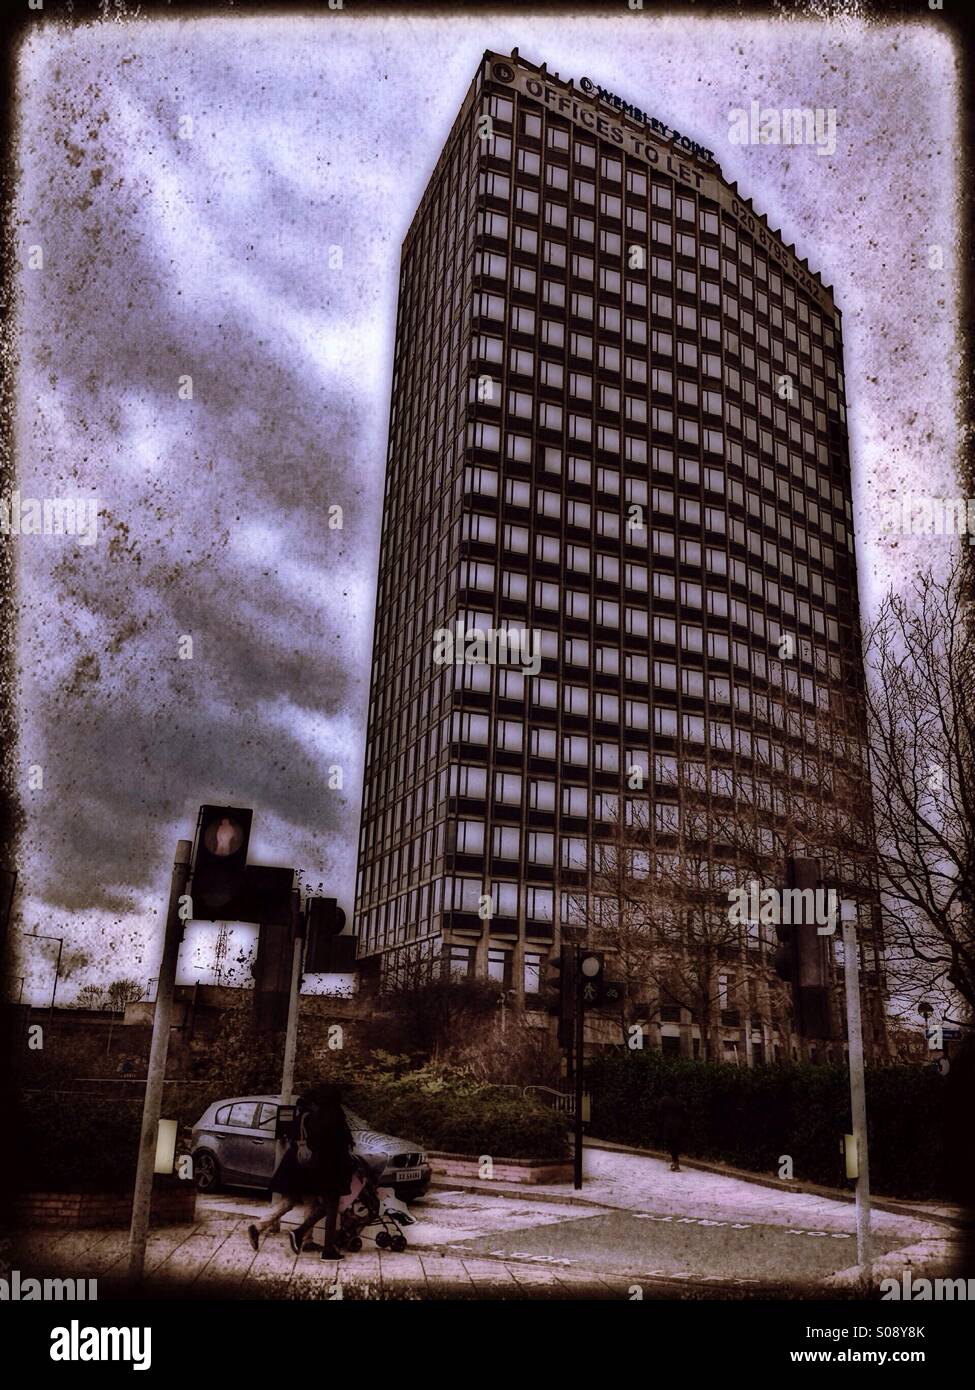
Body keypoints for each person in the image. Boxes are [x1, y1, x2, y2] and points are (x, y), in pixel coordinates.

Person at [287, 1083, 355, 1262]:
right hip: (334, 1168)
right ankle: (327, 1250)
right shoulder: (336, 1116)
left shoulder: (317, 1117)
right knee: (331, 1209)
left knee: (327, 1207)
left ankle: (300, 1232)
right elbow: (342, 1144)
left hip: (320, 1169)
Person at [247, 1092, 316, 1252]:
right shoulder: (311, 1119)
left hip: (291, 1165)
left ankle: (258, 1227)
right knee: (310, 1202)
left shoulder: (296, 1119)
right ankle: (306, 1240)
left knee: (289, 1202)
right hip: (303, 1167)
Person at [658, 1089, 689, 1172]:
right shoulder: (680, 1101)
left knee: (670, 1143)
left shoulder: (664, 1100)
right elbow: (684, 1113)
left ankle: (675, 1163)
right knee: (676, 1143)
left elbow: (660, 1112)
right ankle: (675, 1162)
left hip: (669, 1124)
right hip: (679, 1124)